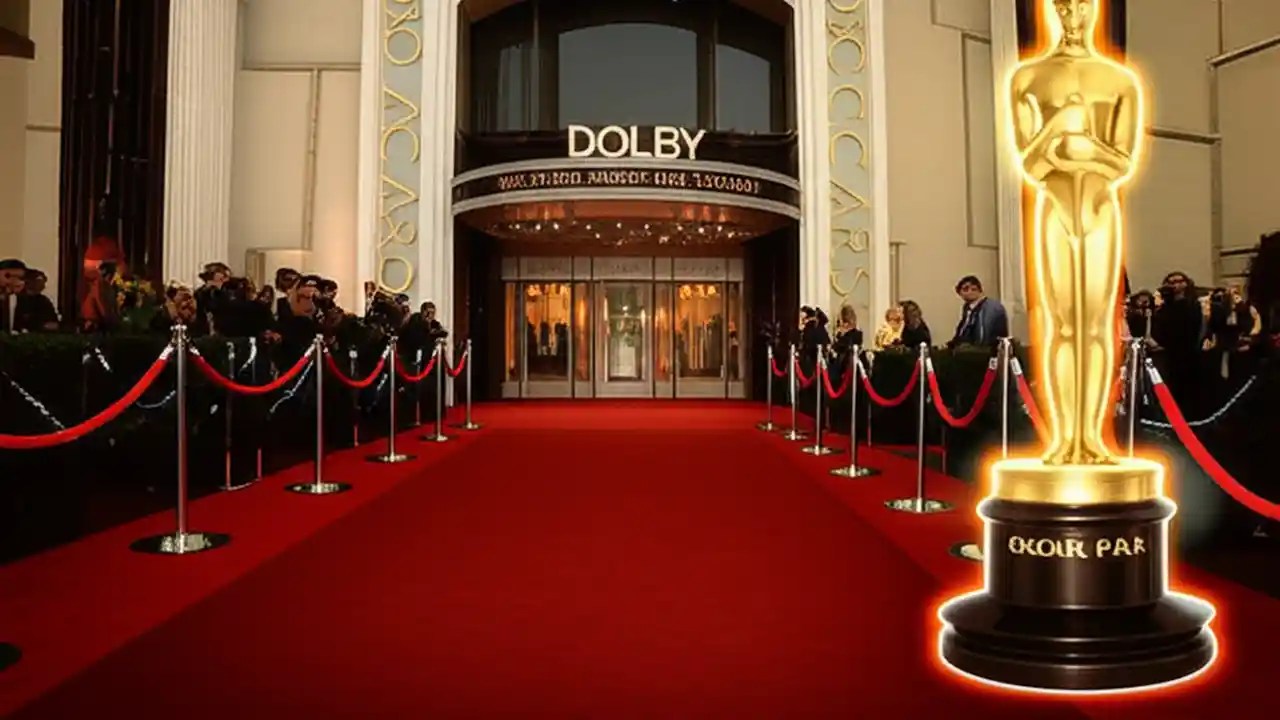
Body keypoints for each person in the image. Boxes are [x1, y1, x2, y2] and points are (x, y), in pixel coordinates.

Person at [949, 275, 1008, 347]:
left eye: (974, 289)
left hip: (983, 351)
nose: (970, 292)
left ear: (980, 290)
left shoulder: (991, 307)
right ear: (960, 293)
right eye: (965, 289)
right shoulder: (968, 308)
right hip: (964, 348)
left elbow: (984, 336)